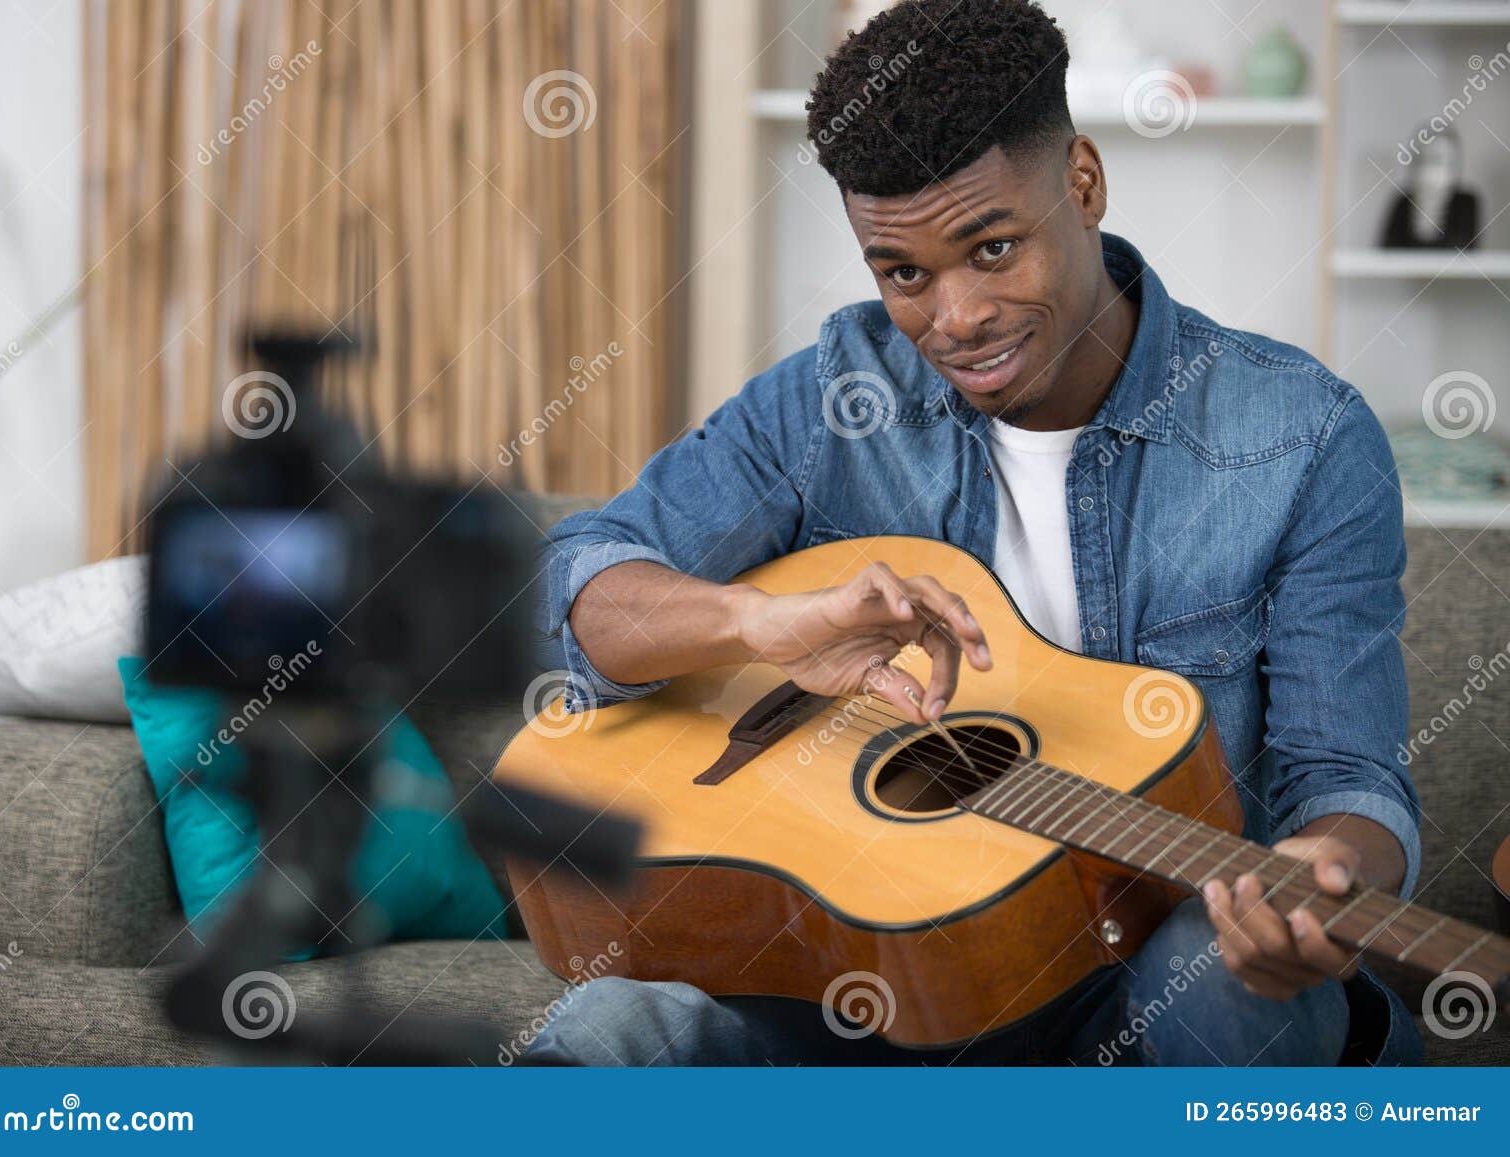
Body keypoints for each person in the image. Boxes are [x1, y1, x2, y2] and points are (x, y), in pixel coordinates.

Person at [526, 0, 1421, 1066]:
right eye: (902, 272)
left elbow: (1349, 781)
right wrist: (758, 623)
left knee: (1214, 979)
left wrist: (1320, 878)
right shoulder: (829, 397)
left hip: (1143, 982)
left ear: (1081, 184)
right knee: (608, 1030)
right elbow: (573, 587)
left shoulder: (1303, 435)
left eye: (992, 248)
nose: (953, 317)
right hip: (880, 982)